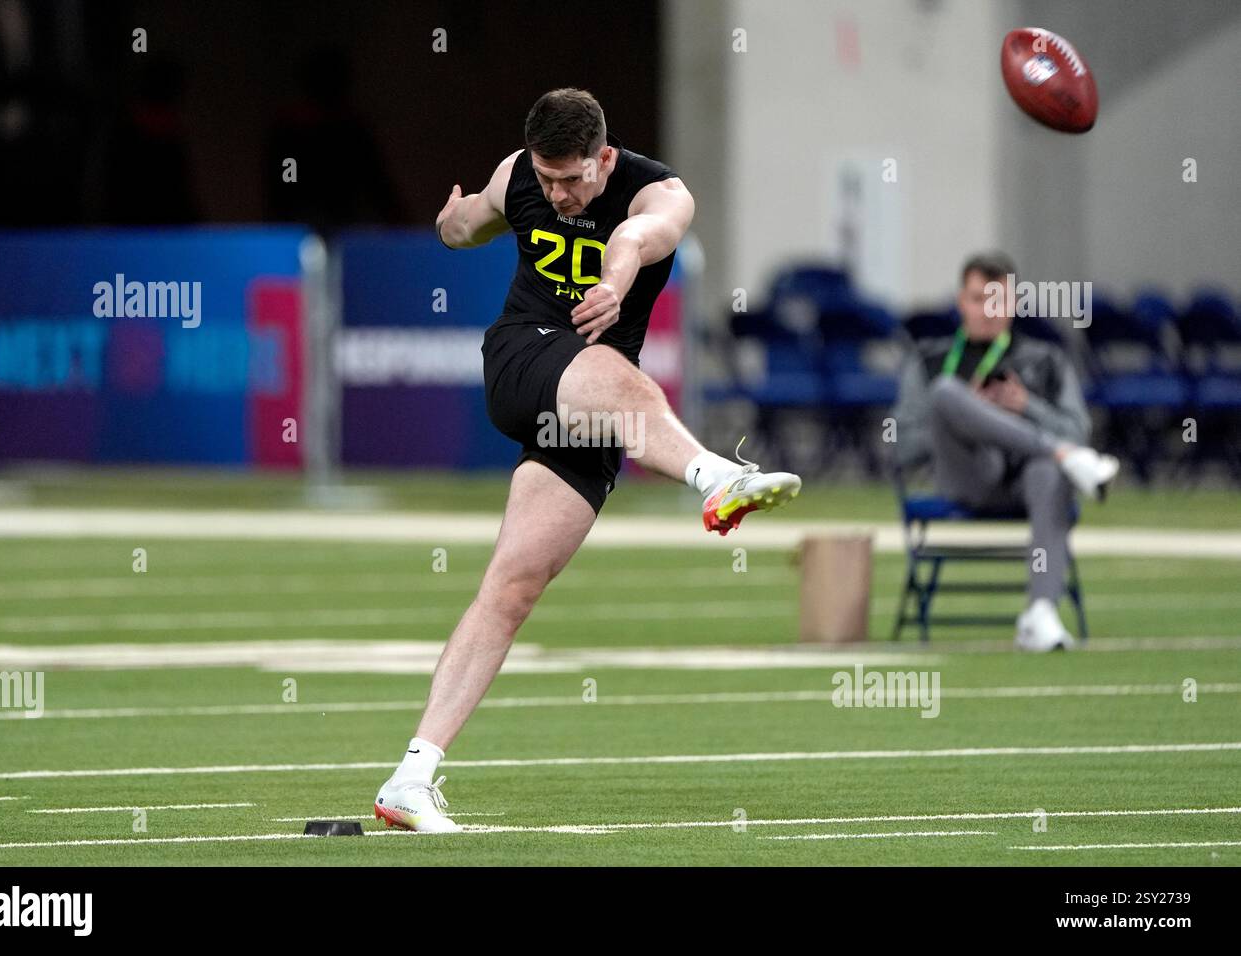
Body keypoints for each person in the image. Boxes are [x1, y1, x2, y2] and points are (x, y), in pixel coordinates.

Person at [373, 89, 801, 832]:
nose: (561, 194)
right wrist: (450, 223)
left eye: (574, 178)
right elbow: (469, 220)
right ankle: (713, 477)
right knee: (614, 372)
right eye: (548, 178)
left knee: (511, 590)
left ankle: (411, 777)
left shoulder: (661, 193)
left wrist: (613, 282)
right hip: (521, 363)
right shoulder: (522, 175)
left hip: (594, 417)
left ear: (605, 157)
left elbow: (636, 240)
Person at [892, 252, 1119, 652]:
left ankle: (1040, 615)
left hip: (1025, 482)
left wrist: (1025, 407)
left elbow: (1079, 430)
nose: (988, 311)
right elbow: (900, 445)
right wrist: (967, 417)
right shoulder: (929, 360)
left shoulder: (1045, 360)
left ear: (1014, 304)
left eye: (998, 301)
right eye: (979, 299)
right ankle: (1064, 457)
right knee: (947, 393)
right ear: (961, 301)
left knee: (1048, 472)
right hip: (966, 476)